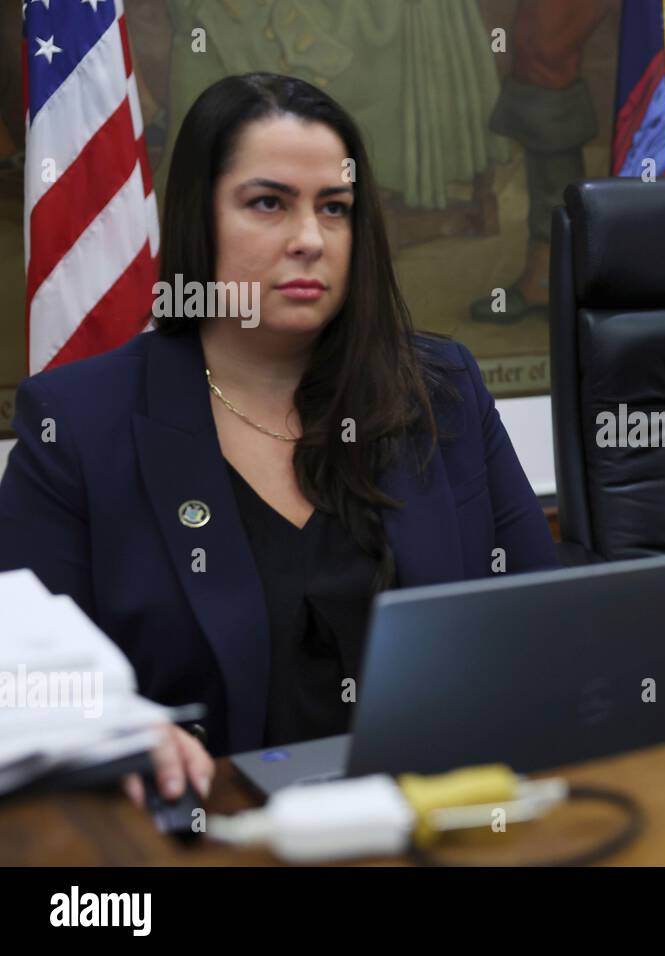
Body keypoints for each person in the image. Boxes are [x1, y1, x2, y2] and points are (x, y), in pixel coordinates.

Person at [0, 74, 558, 807]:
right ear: (199, 218)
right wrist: (109, 727)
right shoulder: (75, 423)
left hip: (433, 824)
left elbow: (542, 623)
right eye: (268, 204)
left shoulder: (440, 389)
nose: (309, 240)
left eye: (335, 209)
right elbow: (24, 687)